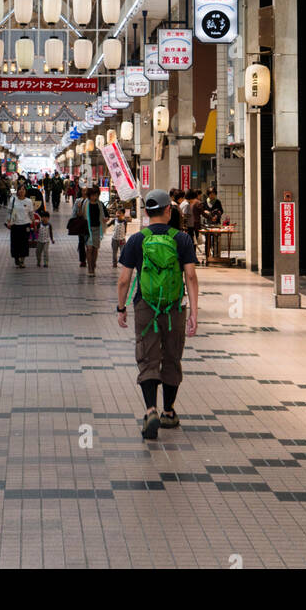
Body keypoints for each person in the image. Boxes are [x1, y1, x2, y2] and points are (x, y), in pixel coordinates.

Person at [116, 189, 198, 439]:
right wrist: (194, 311)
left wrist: (121, 308)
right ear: (168, 211)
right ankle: (169, 412)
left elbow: (124, 280)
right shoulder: (182, 239)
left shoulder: (137, 240)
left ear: (145, 212)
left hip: (145, 307)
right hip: (174, 308)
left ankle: (150, 409)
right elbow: (191, 276)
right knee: (172, 357)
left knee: (148, 357)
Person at [78, 186, 109, 277]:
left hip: (97, 229)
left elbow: (106, 215)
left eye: (96, 195)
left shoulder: (100, 204)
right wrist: (79, 208)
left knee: (95, 249)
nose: (94, 197)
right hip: (87, 229)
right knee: (89, 248)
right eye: (92, 195)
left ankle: (93, 264)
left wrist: (105, 219)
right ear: (89, 195)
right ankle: (90, 268)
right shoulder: (85, 203)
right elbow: (80, 215)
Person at [6, 186, 33, 269]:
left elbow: (31, 213)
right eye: (20, 189)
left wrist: (34, 224)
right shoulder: (13, 200)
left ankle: (22, 261)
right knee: (15, 243)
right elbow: (9, 212)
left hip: (25, 224)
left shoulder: (29, 201)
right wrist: (8, 222)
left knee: (24, 243)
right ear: (17, 191)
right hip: (15, 225)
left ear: (25, 191)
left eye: (23, 189)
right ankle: (16, 258)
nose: (21, 191)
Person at [110, 205, 129, 269]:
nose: (118, 214)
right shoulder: (114, 220)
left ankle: (123, 263)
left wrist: (123, 238)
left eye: (119, 213)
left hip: (122, 240)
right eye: (117, 212)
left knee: (122, 252)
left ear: (123, 214)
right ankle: (114, 263)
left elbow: (125, 230)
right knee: (114, 252)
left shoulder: (124, 222)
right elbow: (108, 225)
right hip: (114, 239)